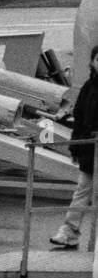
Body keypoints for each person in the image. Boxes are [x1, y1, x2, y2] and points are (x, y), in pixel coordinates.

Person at [51, 45, 98, 248]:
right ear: (93, 62)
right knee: (82, 191)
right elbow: (79, 119)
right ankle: (69, 232)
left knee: (88, 193)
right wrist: (75, 148)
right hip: (90, 151)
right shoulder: (89, 87)